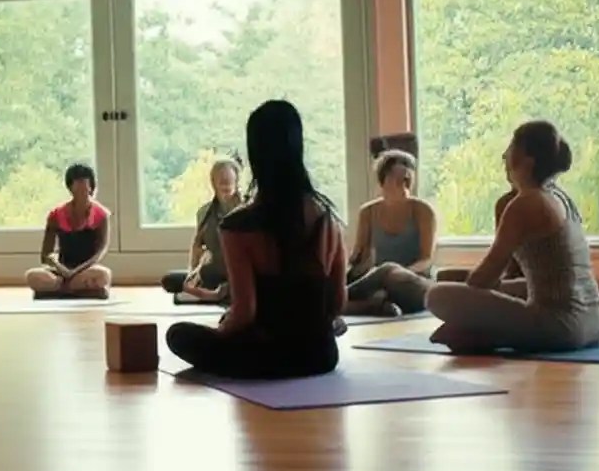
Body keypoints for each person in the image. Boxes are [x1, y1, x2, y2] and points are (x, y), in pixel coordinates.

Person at [166, 100, 347, 379]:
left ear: (255, 153)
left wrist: (222, 329)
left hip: (263, 354)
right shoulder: (326, 217)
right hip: (320, 356)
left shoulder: (239, 225)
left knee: (178, 334)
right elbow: (337, 302)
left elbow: (245, 312)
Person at [426, 121, 599, 352]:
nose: (504, 155)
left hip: (561, 328)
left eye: (511, 147)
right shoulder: (561, 196)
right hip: (595, 323)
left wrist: (466, 299)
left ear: (526, 159)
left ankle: (488, 335)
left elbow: (484, 280)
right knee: (520, 286)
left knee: (437, 295)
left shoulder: (525, 203)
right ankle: (488, 335)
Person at [343, 149, 436, 317]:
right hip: (382, 284)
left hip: (416, 283)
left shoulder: (423, 211)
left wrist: (399, 273)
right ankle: (375, 307)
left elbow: (427, 259)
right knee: (379, 292)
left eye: (408, 179)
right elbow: (359, 258)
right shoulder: (368, 212)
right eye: (398, 179)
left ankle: (334, 300)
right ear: (383, 181)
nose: (404, 184)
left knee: (389, 270)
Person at [160, 155, 243, 304]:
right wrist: (192, 274)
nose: (225, 186)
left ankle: (217, 295)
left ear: (236, 181)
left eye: (228, 182)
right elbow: (197, 245)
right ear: (213, 183)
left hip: (242, 274)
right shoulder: (205, 213)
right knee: (170, 280)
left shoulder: (247, 210)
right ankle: (216, 294)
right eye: (221, 182)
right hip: (214, 272)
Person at [25, 163, 112, 298]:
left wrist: (76, 271)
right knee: (33, 276)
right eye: (77, 188)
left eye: (85, 188)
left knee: (103, 275)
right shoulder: (56, 215)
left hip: (86, 270)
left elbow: (100, 251)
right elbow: (46, 255)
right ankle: (73, 288)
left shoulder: (101, 215)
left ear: (91, 188)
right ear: (70, 189)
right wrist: (63, 270)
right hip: (62, 271)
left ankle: (60, 290)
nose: (82, 193)